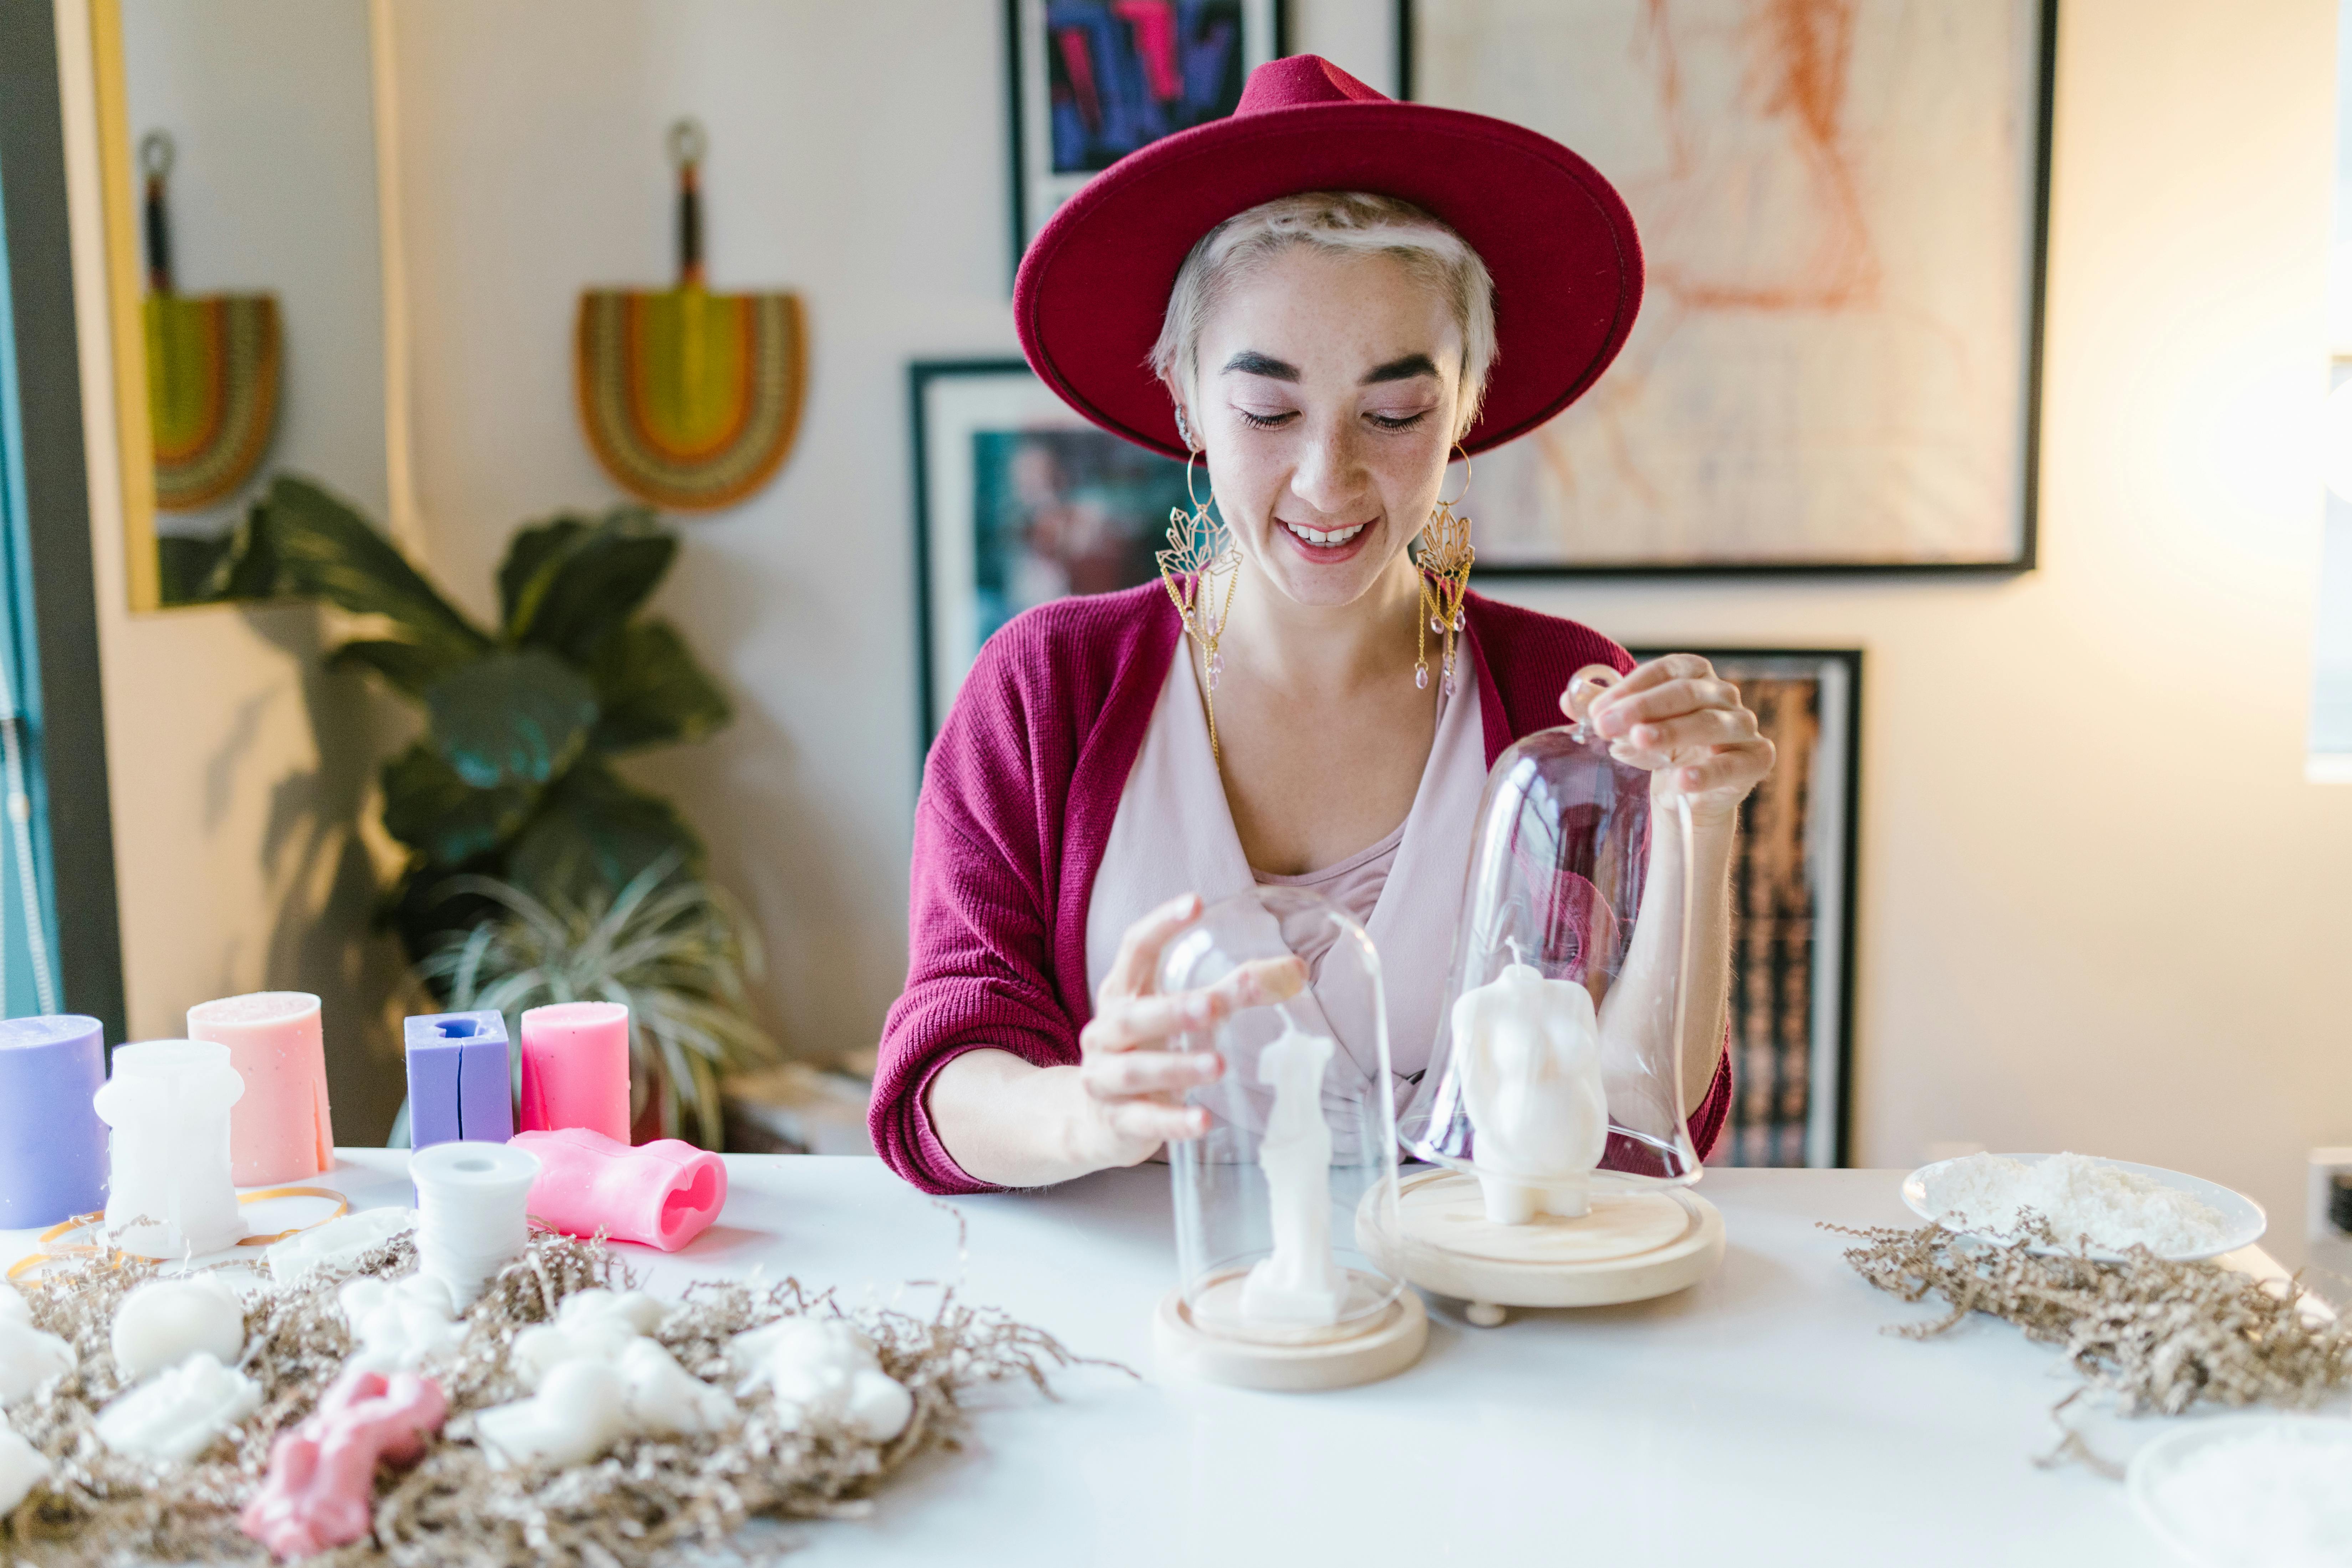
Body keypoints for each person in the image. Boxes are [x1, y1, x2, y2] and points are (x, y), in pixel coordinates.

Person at [872, 56, 1772, 1194]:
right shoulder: (1048, 687)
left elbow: (1646, 1111)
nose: (1327, 477)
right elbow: (940, 1077)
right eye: (1267, 409)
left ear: (1467, 403)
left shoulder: (1565, 692)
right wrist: (1083, 1112)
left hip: (1477, 1332)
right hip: (1129, 1339)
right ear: (1187, 397)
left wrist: (1701, 817)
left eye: (1394, 412)